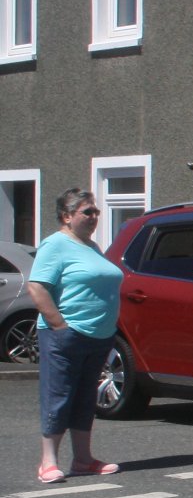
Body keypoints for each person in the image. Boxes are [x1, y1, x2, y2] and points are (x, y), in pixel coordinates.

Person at [25, 189, 125, 483]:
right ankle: (48, 462)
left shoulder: (91, 246)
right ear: (67, 216)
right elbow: (37, 287)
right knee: (59, 395)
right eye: (87, 212)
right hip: (67, 335)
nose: (94, 217)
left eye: (96, 212)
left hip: (99, 336)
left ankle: (83, 459)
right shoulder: (55, 245)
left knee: (84, 397)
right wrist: (59, 325)